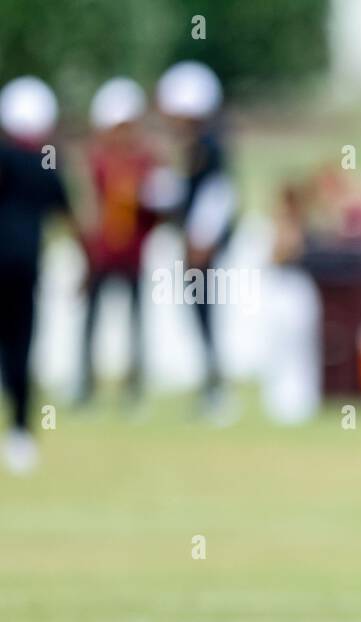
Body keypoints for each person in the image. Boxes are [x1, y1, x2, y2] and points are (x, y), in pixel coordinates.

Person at [0, 76, 74, 475]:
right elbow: (66, 211)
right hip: (26, 269)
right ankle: (20, 433)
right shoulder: (46, 163)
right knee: (20, 349)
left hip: (12, 268)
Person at [155, 61, 236, 418]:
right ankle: (211, 384)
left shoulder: (208, 146)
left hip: (203, 248)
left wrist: (199, 238)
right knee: (200, 315)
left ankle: (216, 389)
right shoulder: (199, 144)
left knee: (206, 314)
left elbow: (217, 194)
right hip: (196, 244)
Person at [79, 77, 159, 406]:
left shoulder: (146, 161)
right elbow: (90, 208)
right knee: (91, 321)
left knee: (136, 322)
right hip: (103, 253)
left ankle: (134, 387)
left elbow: (155, 209)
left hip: (133, 254)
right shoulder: (98, 161)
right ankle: (84, 384)